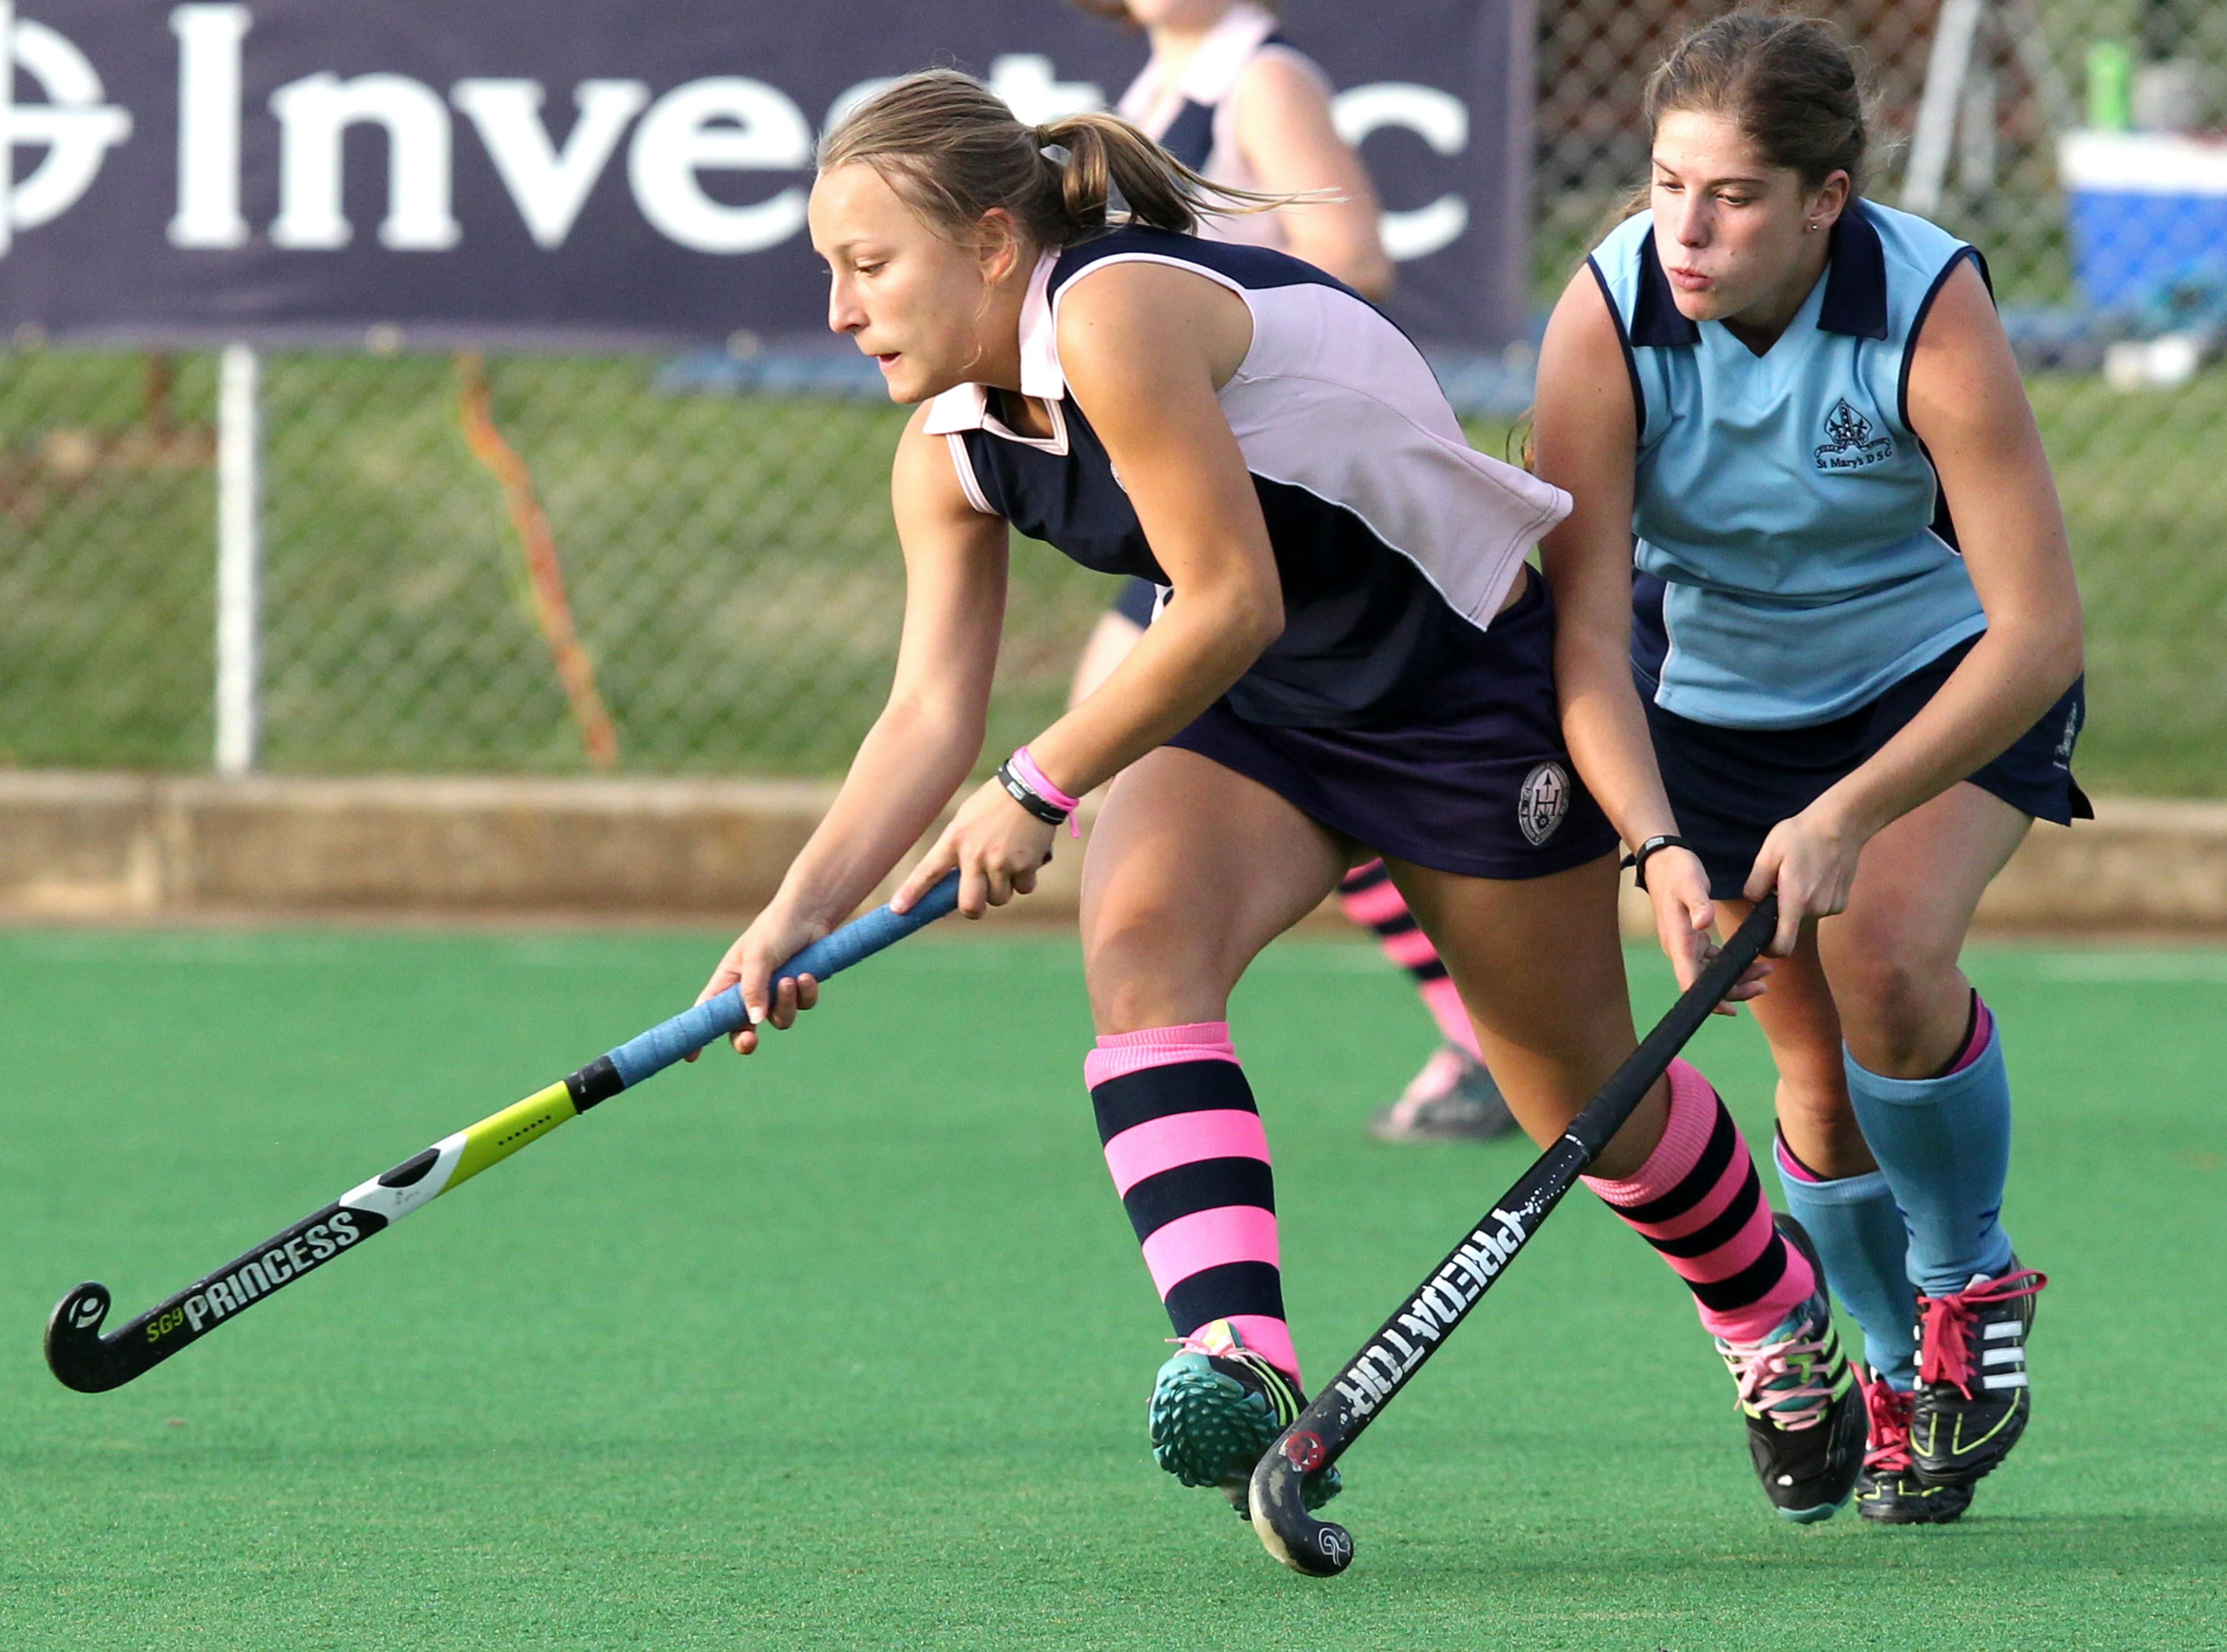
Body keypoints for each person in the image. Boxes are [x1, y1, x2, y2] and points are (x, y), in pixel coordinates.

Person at [695, 69, 1854, 1523]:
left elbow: (1228, 597)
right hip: (1266, 709)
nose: (840, 311)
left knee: (1580, 1095)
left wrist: (1037, 787)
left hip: (1464, 686)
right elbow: (927, 712)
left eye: (869, 267)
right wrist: (791, 918)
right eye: (828, 273)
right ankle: (1237, 1349)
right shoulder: (949, 451)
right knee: (1141, 945)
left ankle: (1770, 1312)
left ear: (994, 243)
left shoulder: (1110, 313)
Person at [1536, 11, 2082, 1525]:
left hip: (1943, 679)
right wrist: (1655, 847)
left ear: (1826, 197)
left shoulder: (1926, 302)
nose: (1690, 232)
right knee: (1814, 1085)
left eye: (1735, 196)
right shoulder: (1606, 315)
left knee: (1889, 962)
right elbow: (1581, 647)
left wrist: (1847, 813)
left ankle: (1970, 1286)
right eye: (1665, 187)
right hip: (1713, 712)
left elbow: (2039, 630)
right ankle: (1899, 1369)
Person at [1064, 0, 1507, 1140]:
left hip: (1272, 473)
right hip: (1190, 466)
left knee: (1132, 746)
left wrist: (1184, 325)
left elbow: (1353, 261)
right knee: (1115, 754)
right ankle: (1467, 1029)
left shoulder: (1259, 78)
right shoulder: (1154, 95)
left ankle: (1481, 1032)